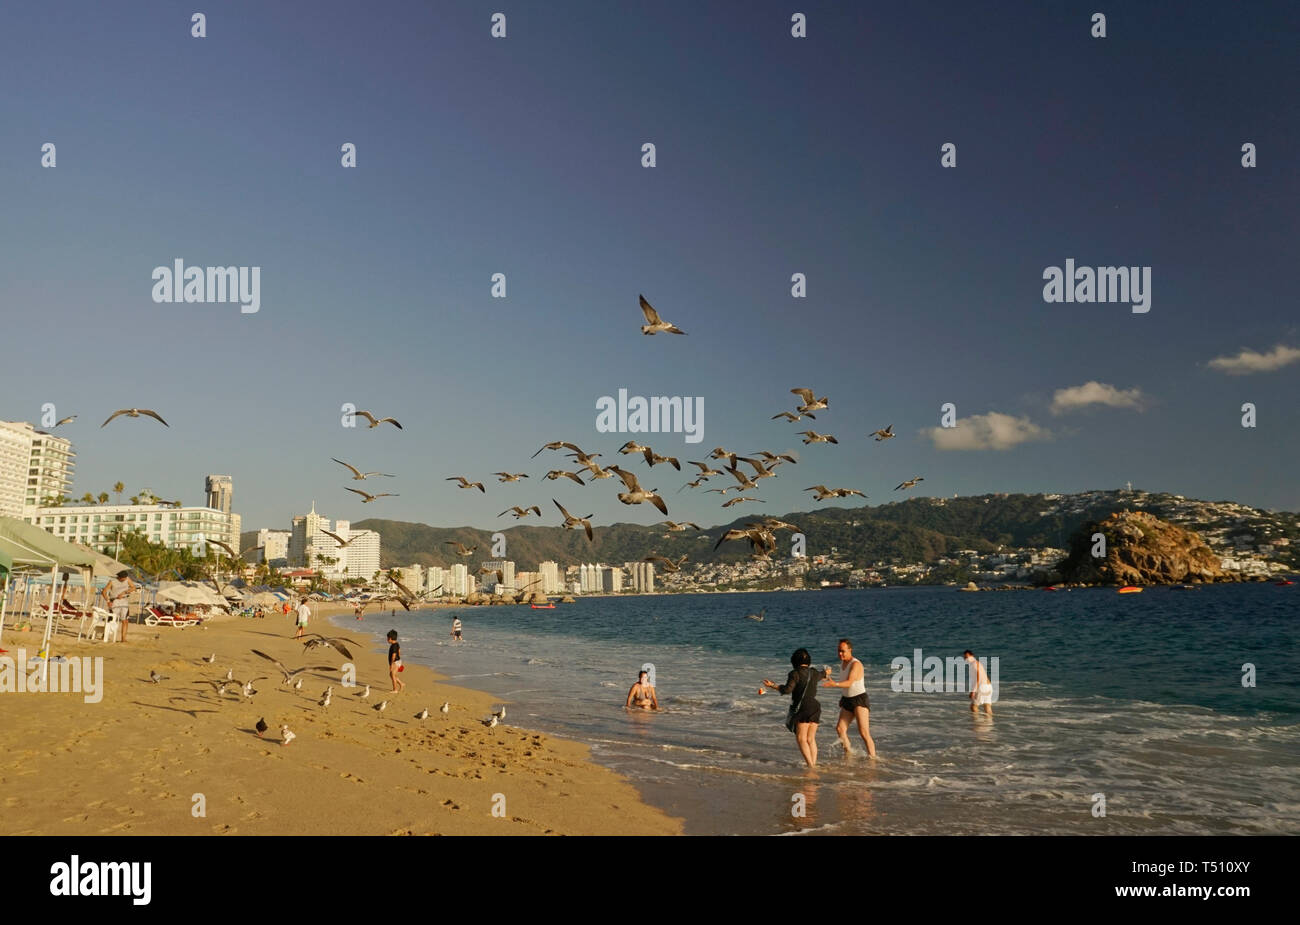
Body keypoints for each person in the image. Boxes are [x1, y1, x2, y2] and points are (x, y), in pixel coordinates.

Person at [762, 648, 821, 767]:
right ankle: (813, 764)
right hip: (815, 707)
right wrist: (827, 672)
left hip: (802, 707)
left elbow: (787, 690)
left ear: (794, 661)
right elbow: (823, 675)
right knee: (811, 739)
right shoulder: (814, 672)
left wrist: (772, 685)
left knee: (801, 738)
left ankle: (810, 766)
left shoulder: (794, 673)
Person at [820, 638, 877, 758]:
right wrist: (841, 694)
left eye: (843, 651)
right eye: (838, 651)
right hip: (847, 700)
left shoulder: (855, 664)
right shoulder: (843, 663)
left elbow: (849, 683)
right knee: (840, 729)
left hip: (859, 700)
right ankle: (849, 754)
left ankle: (873, 758)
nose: (840, 653)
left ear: (850, 650)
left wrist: (834, 684)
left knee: (864, 732)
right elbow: (844, 684)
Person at [100, 569, 136, 643]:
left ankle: (123, 638)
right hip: (114, 602)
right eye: (123, 578)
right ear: (119, 577)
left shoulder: (127, 579)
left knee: (125, 620)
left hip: (124, 602)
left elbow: (133, 587)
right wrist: (108, 601)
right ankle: (104, 635)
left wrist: (125, 592)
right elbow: (104, 592)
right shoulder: (112, 581)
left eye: (125, 578)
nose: (125, 579)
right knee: (111, 620)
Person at [964, 650, 994, 715]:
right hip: (988, 686)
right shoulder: (977, 663)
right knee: (987, 706)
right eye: (965, 657)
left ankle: (978, 721)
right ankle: (989, 720)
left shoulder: (974, 664)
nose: (966, 659)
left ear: (972, 656)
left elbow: (979, 677)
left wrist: (973, 691)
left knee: (973, 707)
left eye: (967, 657)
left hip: (982, 687)